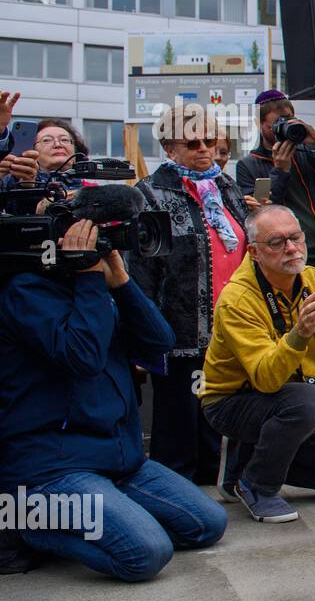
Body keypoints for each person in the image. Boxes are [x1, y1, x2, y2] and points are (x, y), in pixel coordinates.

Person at [0, 217, 226, 581]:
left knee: (207, 524)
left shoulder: (97, 287)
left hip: (119, 460)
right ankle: (28, 525)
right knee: (147, 553)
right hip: (52, 468)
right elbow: (83, 356)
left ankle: (102, 514)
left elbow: (159, 341)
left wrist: (121, 281)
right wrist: (89, 276)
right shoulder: (25, 292)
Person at [201, 205, 315, 523]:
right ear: (253, 252)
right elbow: (265, 378)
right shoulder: (238, 299)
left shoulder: (313, 278)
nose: (291, 248)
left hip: (292, 399)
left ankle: (242, 465)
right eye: (276, 242)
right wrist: (301, 332)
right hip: (232, 400)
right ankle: (257, 485)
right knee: (310, 401)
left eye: (295, 237)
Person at [131, 105, 247, 483]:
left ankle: (219, 483)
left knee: (220, 415)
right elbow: (140, 272)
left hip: (230, 327)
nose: (204, 149)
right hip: (179, 330)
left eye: (210, 141)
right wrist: (142, 336)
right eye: (192, 142)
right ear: (169, 148)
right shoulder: (149, 194)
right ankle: (177, 493)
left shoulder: (226, 187)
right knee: (179, 423)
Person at [235, 89, 315, 267]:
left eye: (287, 120)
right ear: (259, 124)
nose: (282, 130)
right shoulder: (249, 165)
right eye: (274, 126)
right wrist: (280, 170)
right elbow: (262, 215)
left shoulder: (311, 151)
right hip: (294, 253)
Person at [0, 116, 92, 192]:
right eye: (47, 140)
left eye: (64, 140)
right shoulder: (9, 183)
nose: (57, 145)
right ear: (31, 152)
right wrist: (27, 185)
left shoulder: (92, 190)